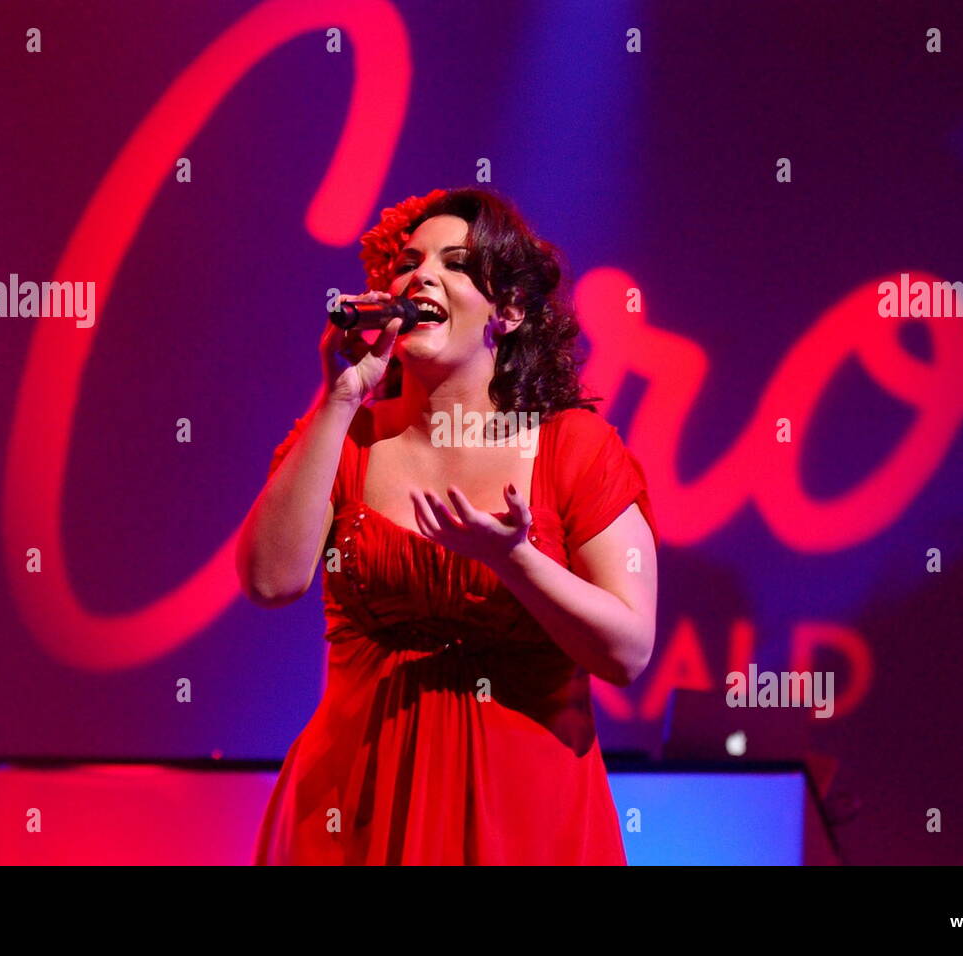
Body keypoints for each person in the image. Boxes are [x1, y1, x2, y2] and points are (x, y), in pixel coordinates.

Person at [236, 187, 659, 865]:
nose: (420, 275)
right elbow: (268, 581)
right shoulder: (349, 436)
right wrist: (341, 396)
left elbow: (628, 651)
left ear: (510, 310)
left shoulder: (573, 447)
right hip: (354, 809)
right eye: (408, 262)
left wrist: (514, 561)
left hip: (524, 819)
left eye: (456, 263)